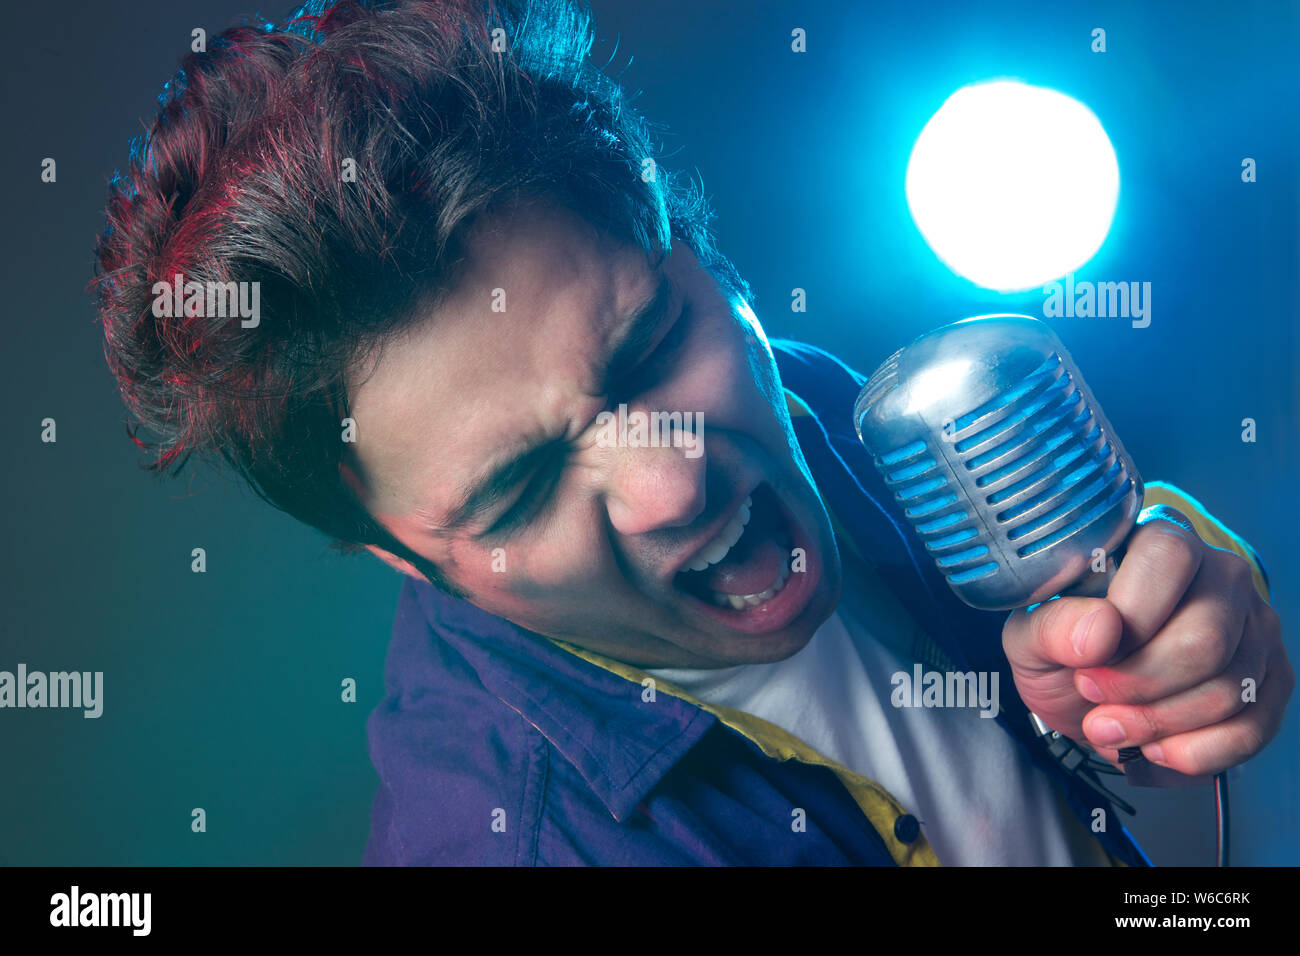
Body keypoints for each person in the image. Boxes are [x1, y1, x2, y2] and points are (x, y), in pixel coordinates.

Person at [92, 0, 1291, 865]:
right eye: (519, 491)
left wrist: (1168, 629)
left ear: (706, 258)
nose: (674, 483)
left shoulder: (840, 410)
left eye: (650, 349)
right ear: (409, 559)